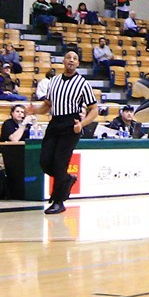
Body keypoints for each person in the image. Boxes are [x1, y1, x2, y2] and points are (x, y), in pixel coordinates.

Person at [34, 51, 98, 214]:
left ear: (78, 64)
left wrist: (81, 124)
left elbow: (94, 109)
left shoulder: (83, 83)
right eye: (69, 57)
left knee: (60, 164)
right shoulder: (53, 81)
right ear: (63, 61)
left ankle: (58, 201)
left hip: (71, 125)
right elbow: (47, 105)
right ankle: (68, 179)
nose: (71, 60)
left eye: (75, 58)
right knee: (45, 161)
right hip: (54, 122)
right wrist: (33, 110)